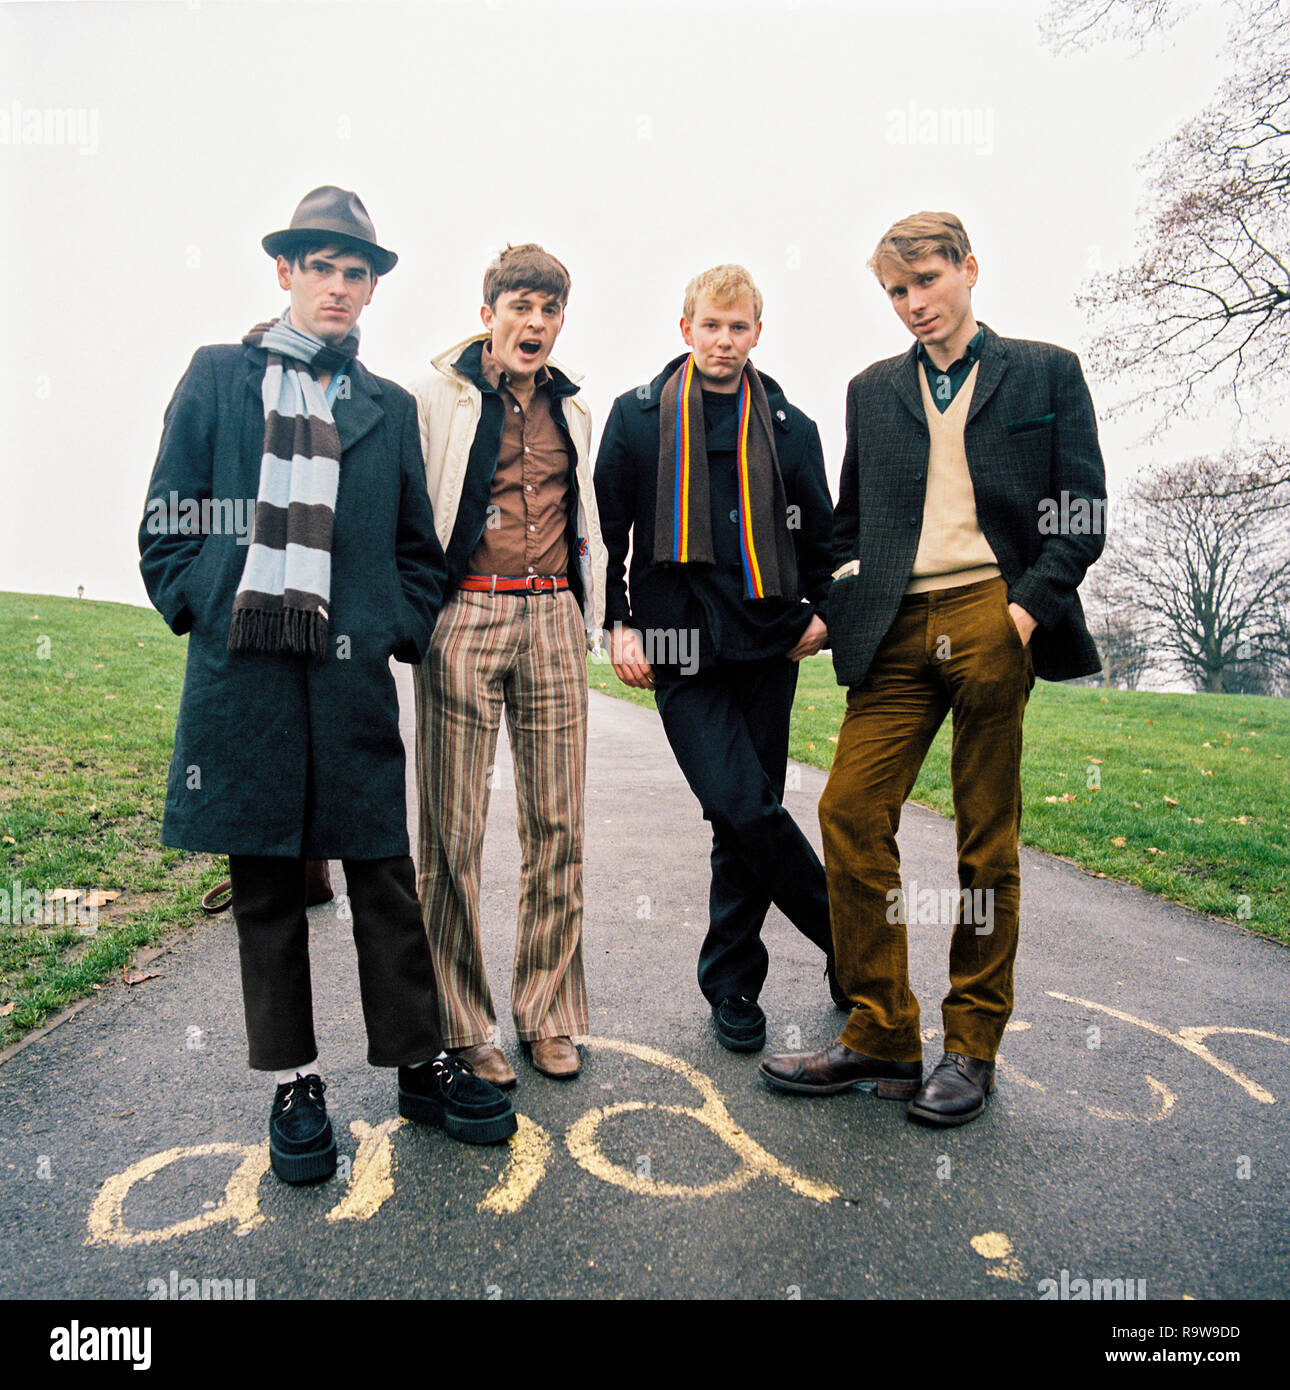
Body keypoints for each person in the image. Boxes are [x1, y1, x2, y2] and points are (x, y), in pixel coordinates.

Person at [138, 186, 516, 1185]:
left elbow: (417, 550)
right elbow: (166, 521)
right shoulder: (220, 378)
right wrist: (208, 603)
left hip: (347, 675)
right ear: (286, 272)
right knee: (267, 881)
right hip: (244, 672)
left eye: (356, 273)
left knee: (382, 872)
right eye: (323, 269)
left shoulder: (382, 405)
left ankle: (417, 1064)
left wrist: (390, 624)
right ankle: (294, 1082)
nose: (339, 288)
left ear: (370, 287)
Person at [760, 211, 1107, 1125]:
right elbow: (847, 525)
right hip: (896, 627)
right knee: (848, 809)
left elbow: (1082, 510)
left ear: (969, 271)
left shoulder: (1046, 371)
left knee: (983, 837)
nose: (913, 304)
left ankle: (971, 1047)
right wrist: (839, 604)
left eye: (927, 282)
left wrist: (1027, 609)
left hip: (996, 613)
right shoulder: (872, 390)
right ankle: (880, 1031)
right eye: (897, 291)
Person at [593, 264, 845, 1054]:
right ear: (686, 329)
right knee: (743, 806)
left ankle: (734, 985)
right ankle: (854, 937)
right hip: (677, 645)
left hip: (769, 642)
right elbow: (612, 534)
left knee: (744, 820)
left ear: (757, 335)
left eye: (739, 328)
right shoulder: (636, 419)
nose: (724, 341)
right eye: (712, 325)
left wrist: (826, 615)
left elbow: (826, 541)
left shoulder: (792, 426)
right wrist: (618, 622)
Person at [407, 245, 606, 1086]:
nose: (536, 324)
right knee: (451, 832)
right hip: (467, 613)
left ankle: (549, 1013)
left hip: (554, 610)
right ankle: (460, 1022)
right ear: (489, 310)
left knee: (557, 826)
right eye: (521, 306)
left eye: (550, 310)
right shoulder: (435, 397)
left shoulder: (575, 409)